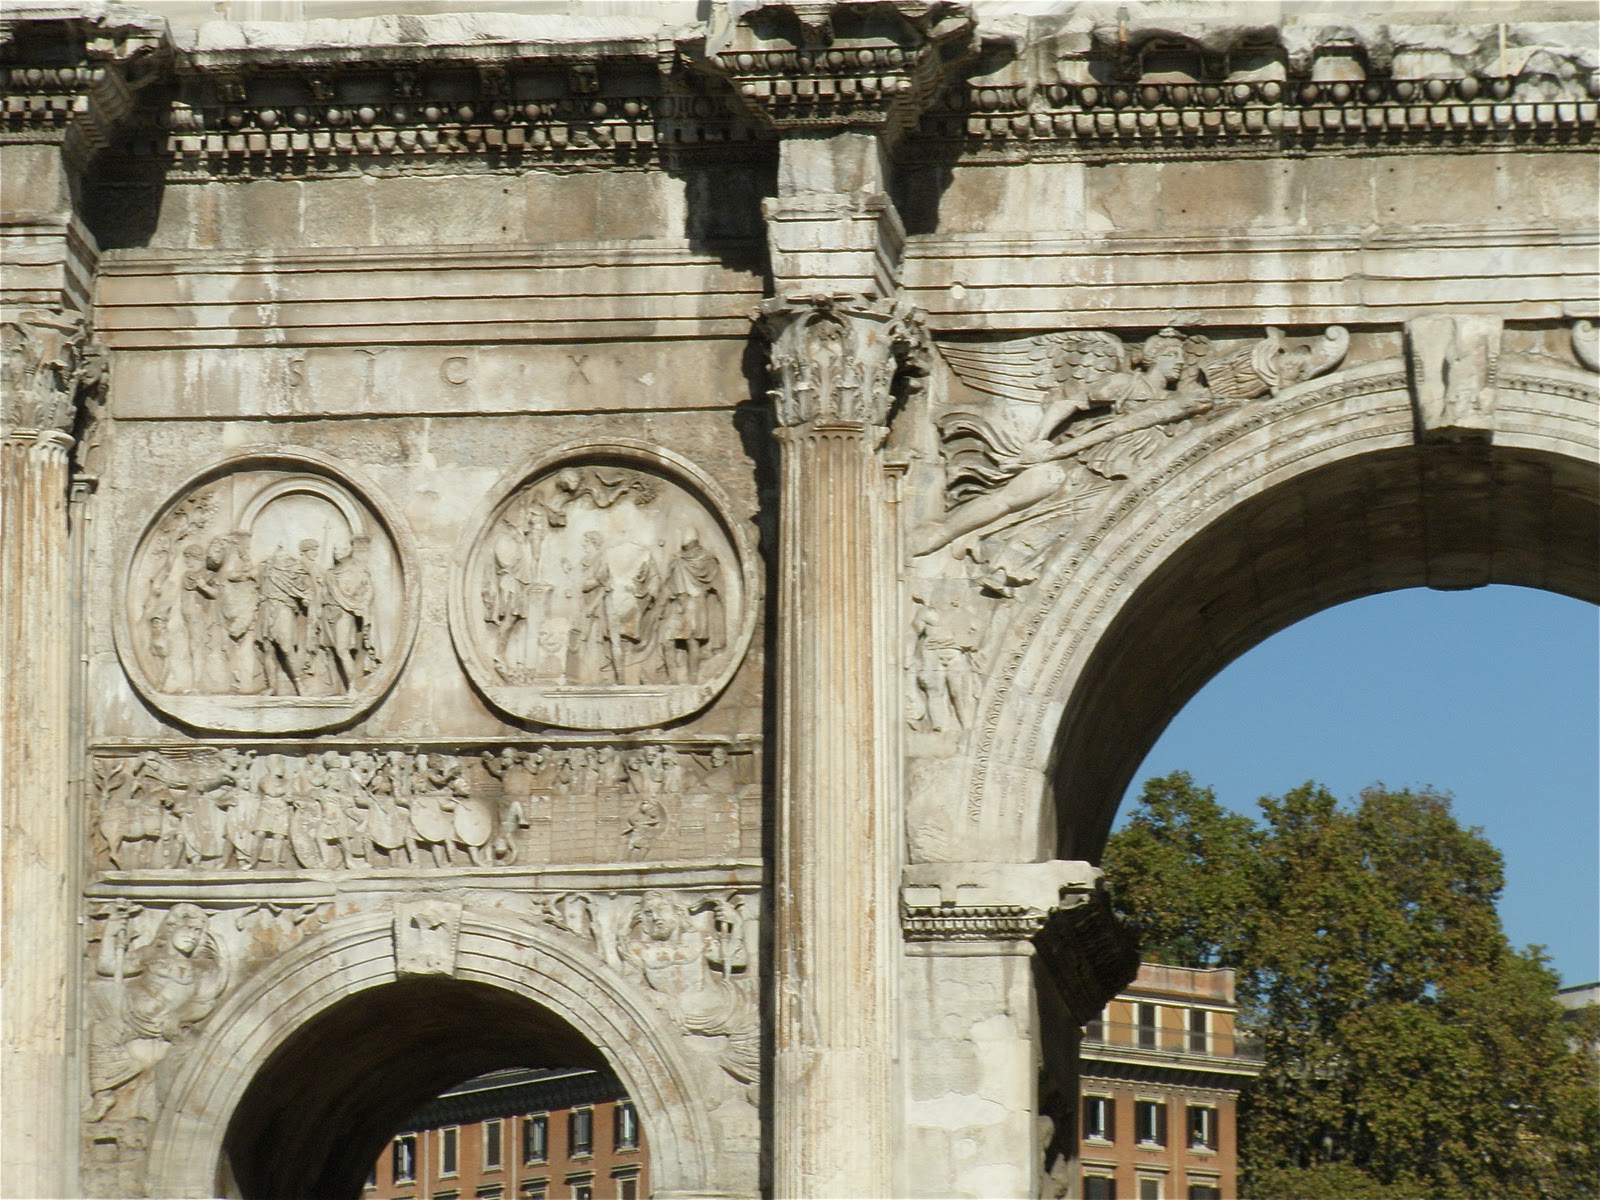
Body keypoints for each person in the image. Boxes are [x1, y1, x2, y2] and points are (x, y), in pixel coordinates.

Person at [87, 904, 227, 1122]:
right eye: (188, 929)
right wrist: (110, 934)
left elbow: (203, 1003)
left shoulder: (200, 968)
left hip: (160, 1025)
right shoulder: (150, 953)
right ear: (171, 928)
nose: (193, 936)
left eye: (197, 932)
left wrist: (180, 1017)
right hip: (128, 1015)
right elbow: (108, 966)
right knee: (99, 1033)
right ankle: (103, 1094)